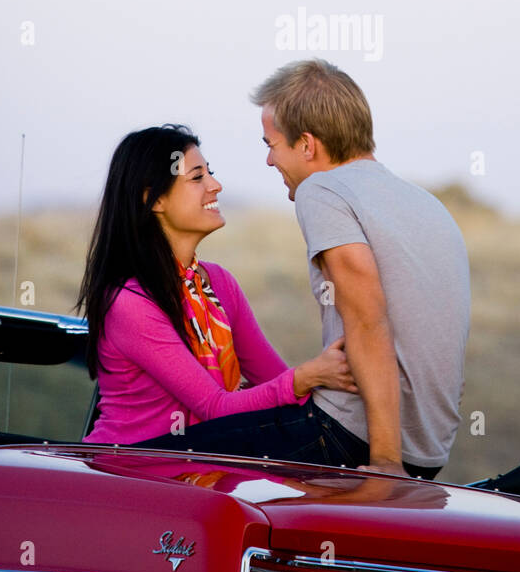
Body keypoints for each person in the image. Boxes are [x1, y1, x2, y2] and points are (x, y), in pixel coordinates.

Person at [250, 59, 471, 479]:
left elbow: (367, 317)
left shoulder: (323, 190)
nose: (268, 160)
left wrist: (385, 463)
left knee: (158, 456)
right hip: (428, 452)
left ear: (307, 145)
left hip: (353, 438)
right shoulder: (425, 203)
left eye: (271, 144)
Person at [78, 125, 358, 449]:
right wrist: (306, 377)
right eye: (197, 177)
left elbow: (275, 384)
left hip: (206, 477)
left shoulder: (219, 284)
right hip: (131, 479)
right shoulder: (130, 303)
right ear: (151, 198)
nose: (215, 185)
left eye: (210, 173)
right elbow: (215, 408)